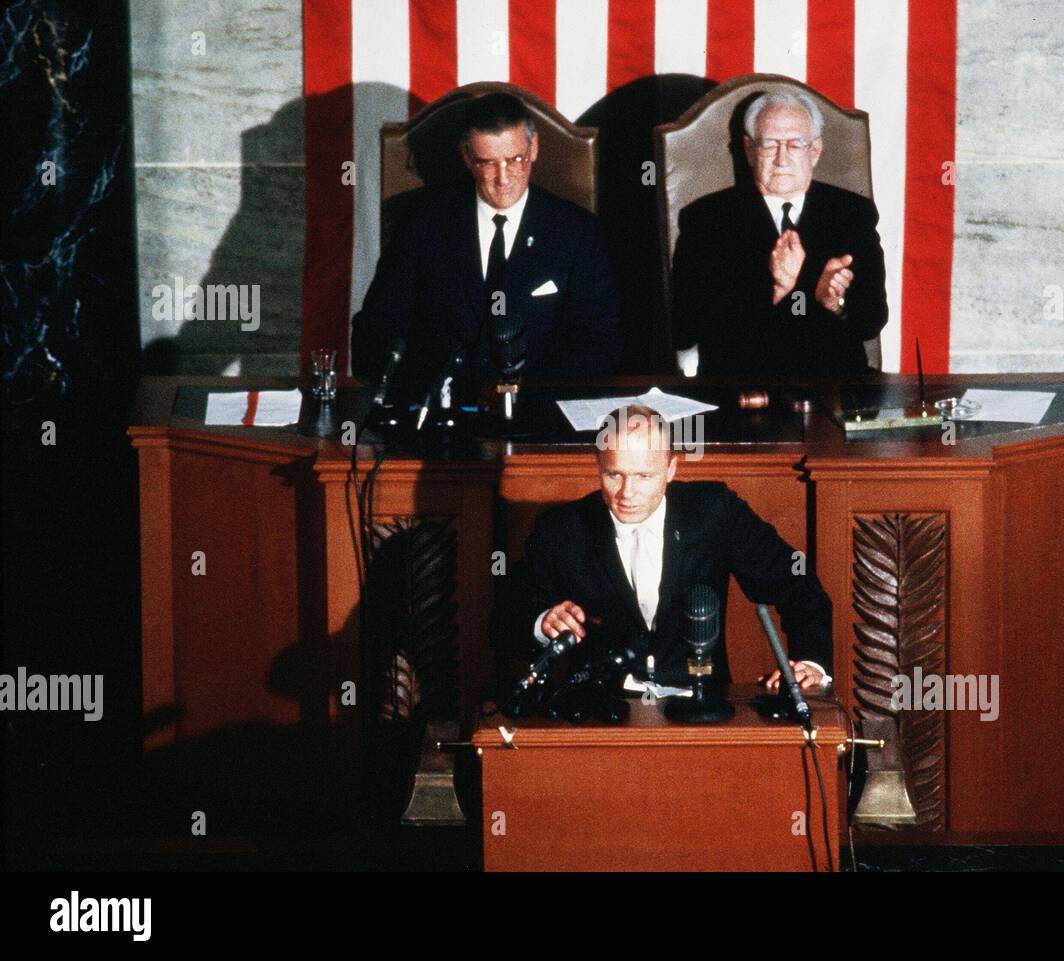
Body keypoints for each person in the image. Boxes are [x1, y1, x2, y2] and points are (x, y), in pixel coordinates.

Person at [502, 404, 833, 691]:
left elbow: (798, 584)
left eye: (644, 476)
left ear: (671, 468)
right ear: (598, 465)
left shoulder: (714, 511)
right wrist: (542, 622)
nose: (626, 493)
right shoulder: (561, 529)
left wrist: (810, 664)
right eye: (614, 474)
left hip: (701, 706)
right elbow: (504, 621)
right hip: (601, 711)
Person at [350, 92, 621, 393]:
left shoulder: (577, 232)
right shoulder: (424, 225)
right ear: (467, 157)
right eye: (488, 163)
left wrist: (523, 392)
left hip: (539, 413)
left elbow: (600, 347)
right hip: (442, 414)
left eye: (515, 160)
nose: (503, 178)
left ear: (533, 149)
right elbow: (375, 334)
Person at [671, 89, 888, 378]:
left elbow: (871, 320)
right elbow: (685, 329)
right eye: (770, 145)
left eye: (796, 144)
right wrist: (777, 289)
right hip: (741, 385)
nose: (781, 160)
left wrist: (835, 303)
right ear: (749, 150)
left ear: (814, 151)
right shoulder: (707, 219)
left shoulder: (852, 213)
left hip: (835, 384)